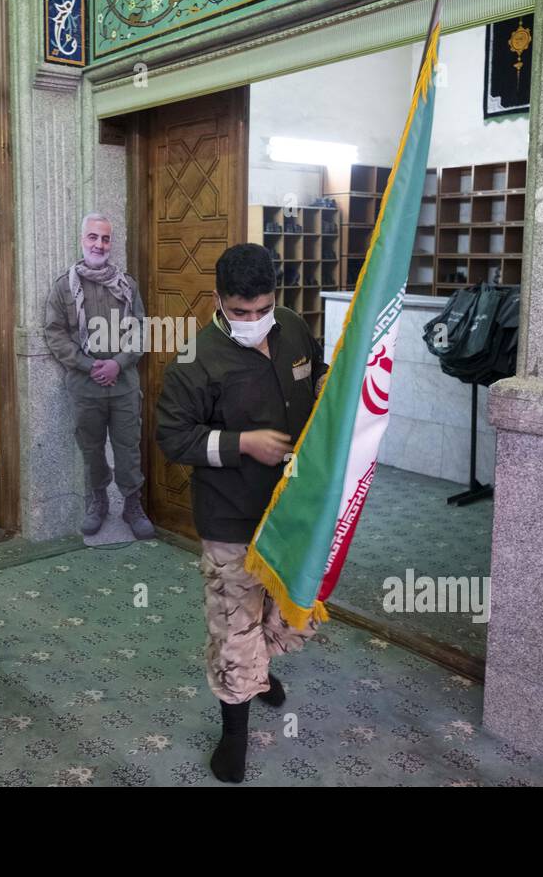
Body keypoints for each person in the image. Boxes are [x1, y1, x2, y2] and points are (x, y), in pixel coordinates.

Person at [155, 242, 327, 783]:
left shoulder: (295, 328)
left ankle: (260, 672)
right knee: (235, 627)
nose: (253, 321)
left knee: (283, 609)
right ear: (218, 300)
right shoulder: (195, 359)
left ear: (276, 297)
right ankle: (234, 735)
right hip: (232, 515)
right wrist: (241, 444)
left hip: (297, 509)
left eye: (262, 309)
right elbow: (173, 438)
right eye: (239, 312)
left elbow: (318, 379)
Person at [44, 213, 155, 540]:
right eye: (93, 237)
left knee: (128, 447)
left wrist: (117, 364)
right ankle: (98, 501)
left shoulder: (127, 285)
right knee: (91, 447)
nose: (99, 244)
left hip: (123, 385)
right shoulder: (64, 286)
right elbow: (54, 333)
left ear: (111, 243)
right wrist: (85, 364)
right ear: (82, 240)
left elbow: (140, 330)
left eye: (105, 238)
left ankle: (132, 505)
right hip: (85, 385)